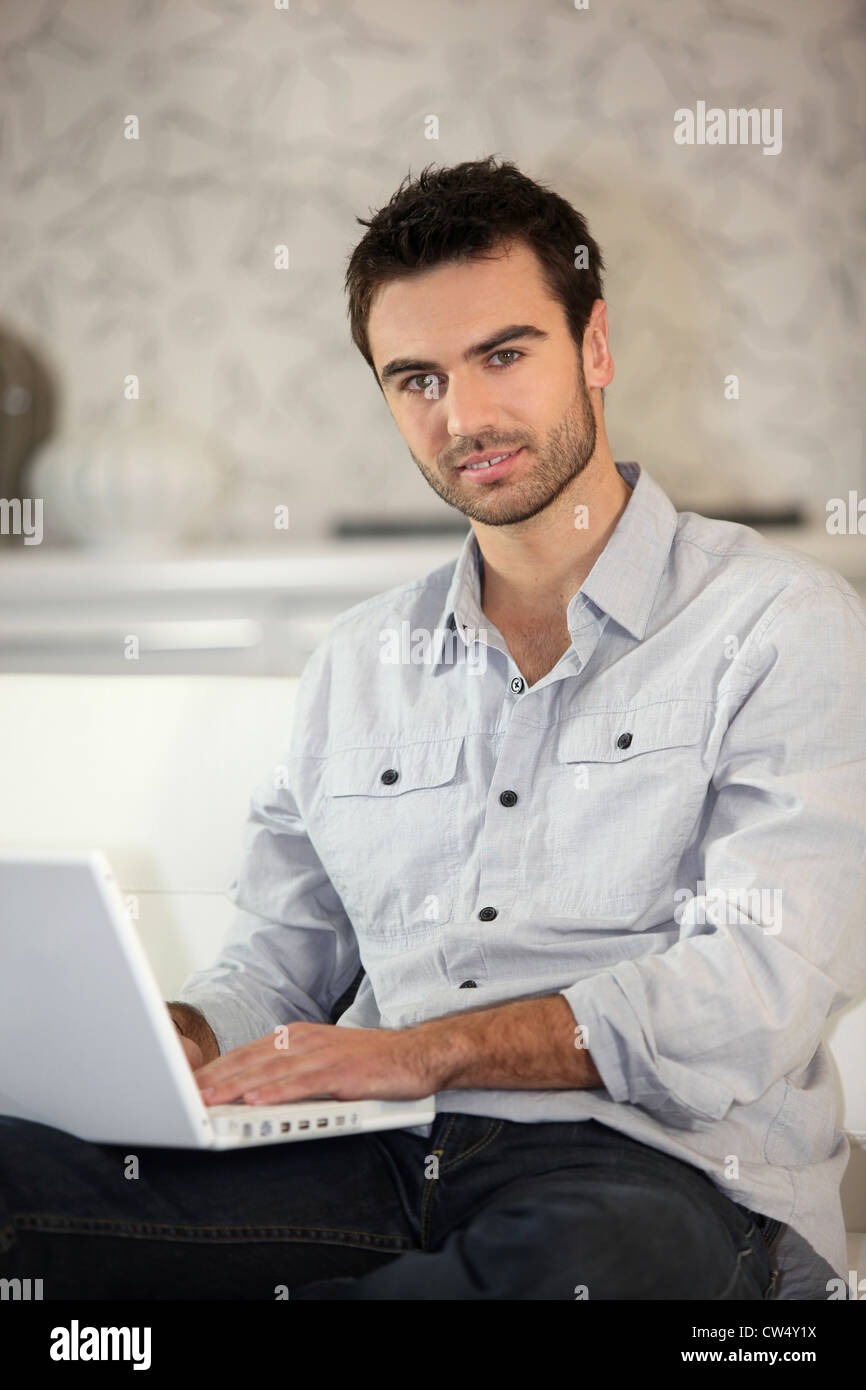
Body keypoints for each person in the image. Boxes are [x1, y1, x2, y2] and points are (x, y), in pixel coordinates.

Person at [2, 157, 863, 1301]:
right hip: (362, 1158)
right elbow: (282, 962)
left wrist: (424, 1046)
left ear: (593, 348)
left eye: (502, 355)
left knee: (590, 1262)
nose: (463, 416)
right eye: (415, 378)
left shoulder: (778, 623)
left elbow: (755, 987)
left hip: (647, 1170)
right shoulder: (355, 664)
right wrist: (184, 1037)